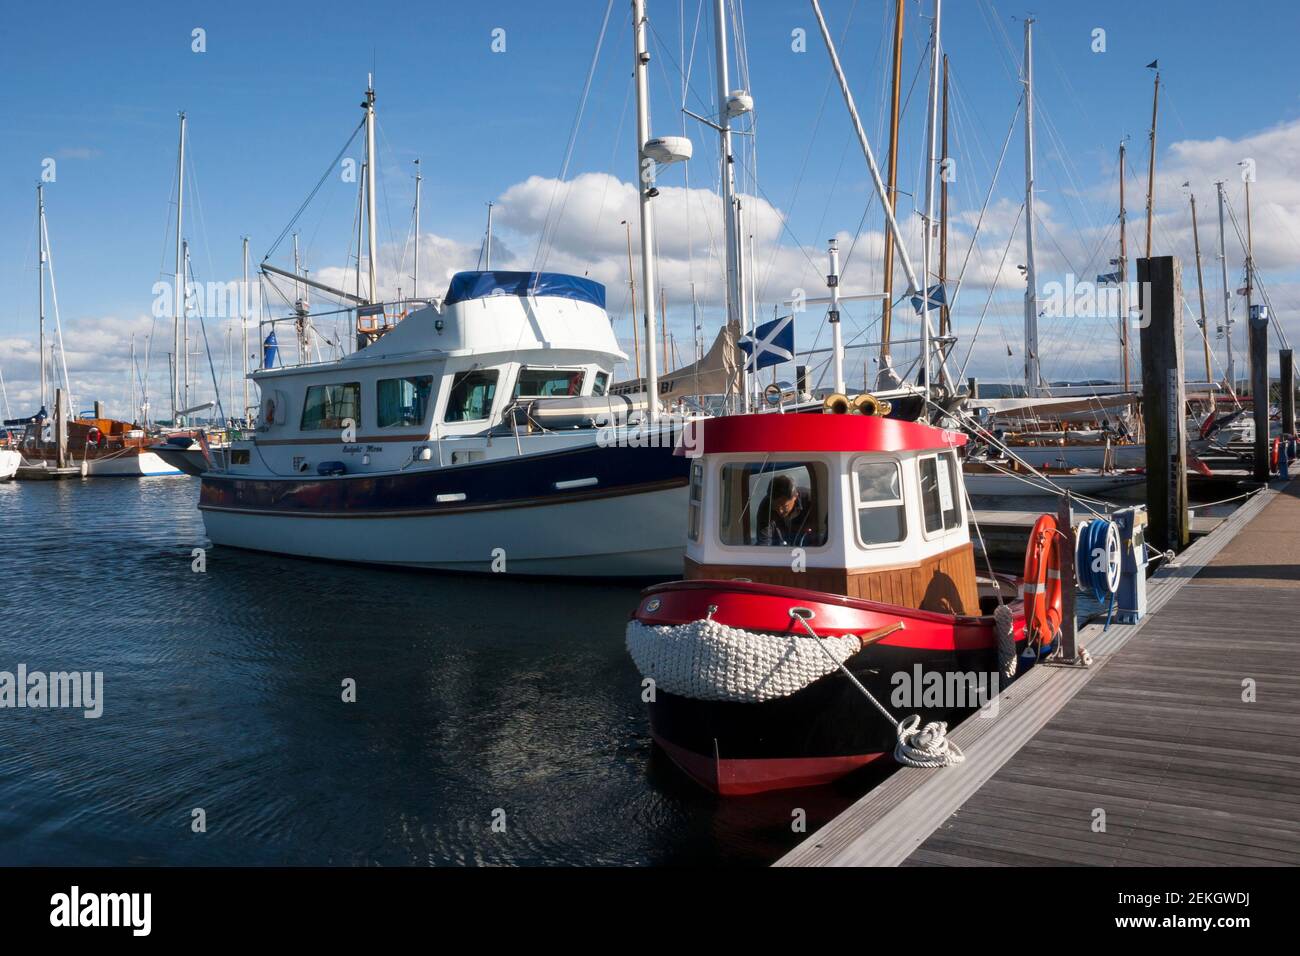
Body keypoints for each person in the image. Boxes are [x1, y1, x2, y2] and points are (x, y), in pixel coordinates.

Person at [756, 474, 819, 546]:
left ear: (795, 496)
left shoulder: (810, 499)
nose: (780, 511)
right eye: (775, 506)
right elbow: (764, 543)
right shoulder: (766, 505)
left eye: (784, 506)